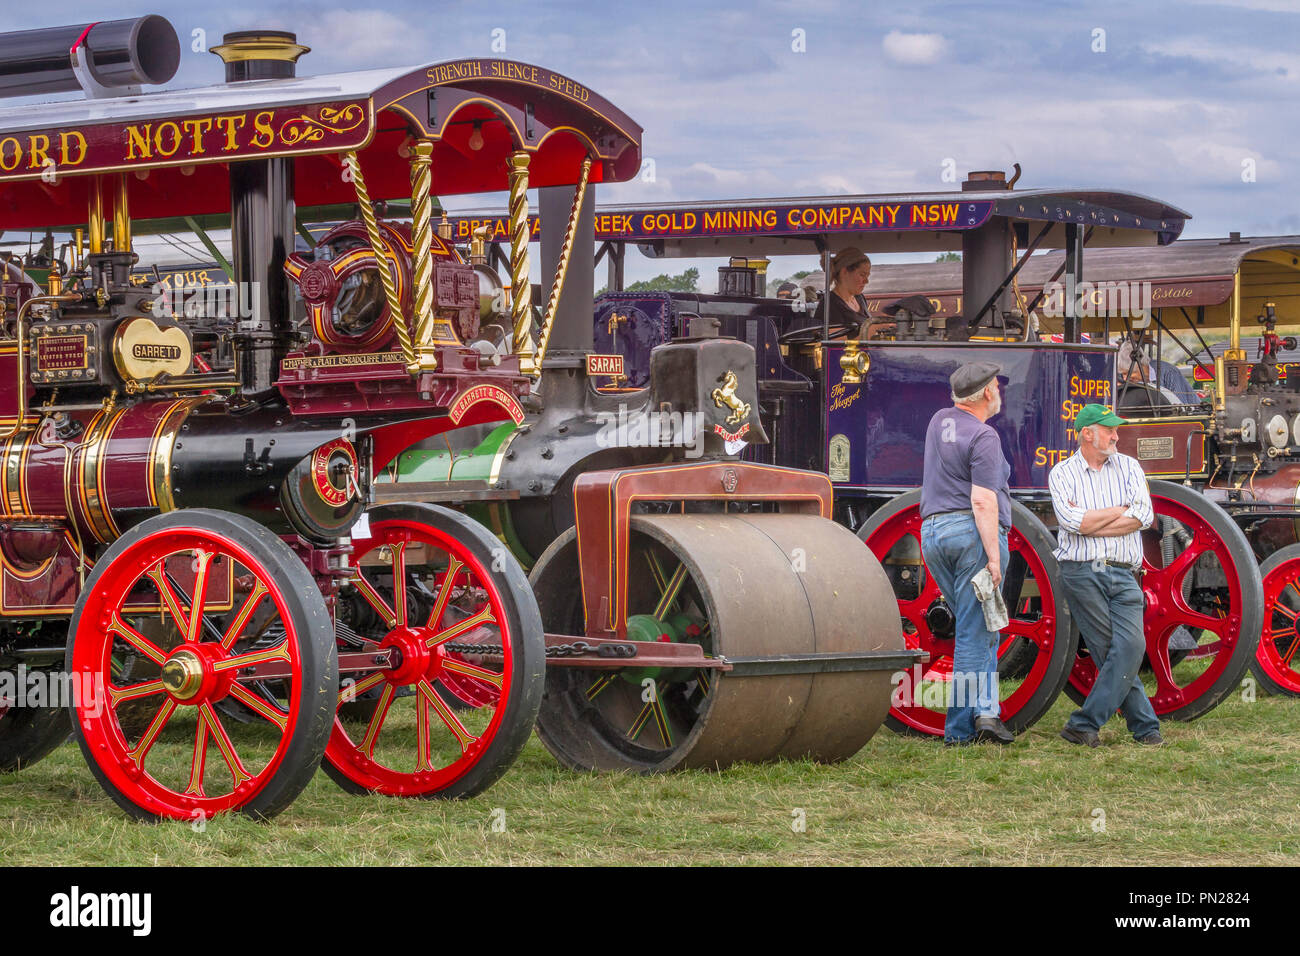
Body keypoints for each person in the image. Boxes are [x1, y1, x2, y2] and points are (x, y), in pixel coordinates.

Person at [1048, 403, 1163, 747]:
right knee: (1108, 649)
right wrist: (1118, 512)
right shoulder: (1062, 473)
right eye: (1109, 430)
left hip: (1125, 572)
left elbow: (1143, 516)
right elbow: (1073, 523)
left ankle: (1084, 723)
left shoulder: (1129, 466)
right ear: (1087, 434)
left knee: (1130, 646)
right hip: (1082, 573)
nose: (1116, 436)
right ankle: (1145, 728)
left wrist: (1094, 522)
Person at [919, 361, 1014, 745]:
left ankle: (987, 714)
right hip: (971, 535)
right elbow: (983, 501)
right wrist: (992, 556)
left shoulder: (938, 420)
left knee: (983, 625)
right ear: (988, 392)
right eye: (997, 386)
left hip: (933, 534)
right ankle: (958, 731)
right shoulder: (985, 436)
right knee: (975, 635)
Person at [827, 246, 894, 340]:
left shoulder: (859, 298)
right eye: (862, 275)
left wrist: (881, 323)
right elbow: (837, 348)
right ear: (844, 272)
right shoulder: (829, 304)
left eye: (867, 275)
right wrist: (872, 329)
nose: (866, 281)